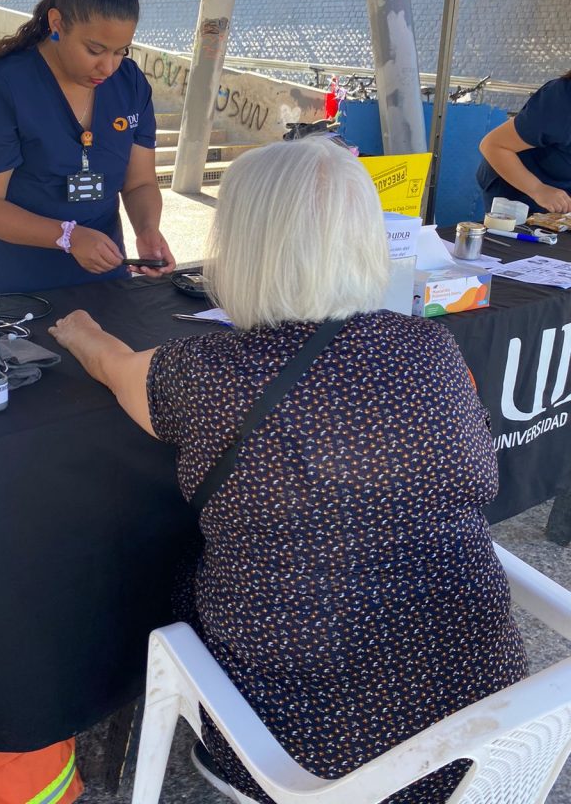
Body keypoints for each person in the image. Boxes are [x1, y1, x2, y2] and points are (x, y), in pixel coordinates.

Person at [48, 137, 528, 804]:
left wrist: (75, 330)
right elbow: (478, 478)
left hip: (311, 751)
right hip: (491, 733)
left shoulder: (206, 373)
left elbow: (114, 368)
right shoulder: (433, 348)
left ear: (241, 246)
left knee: (161, 573)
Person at [0, 0, 175, 293]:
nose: (108, 67)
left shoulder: (129, 82)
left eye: (121, 51)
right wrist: (68, 236)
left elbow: (139, 183)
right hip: (21, 290)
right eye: (94, 50)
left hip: (106, 283)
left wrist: (147, 229)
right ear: (57, 23)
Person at [477, 69, 571, 214]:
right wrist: (538, 189)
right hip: (518, 185)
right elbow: (492, 145)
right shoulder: (562, 101)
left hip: (561, 187)